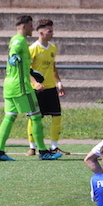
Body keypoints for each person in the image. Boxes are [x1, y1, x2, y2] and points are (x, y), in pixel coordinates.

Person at [0, 15, 61, 162]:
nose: (33, 28)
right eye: (31, 26)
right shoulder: (20, 41)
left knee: (9, 117)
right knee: (36, 116)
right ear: (24, 26)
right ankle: (43, 152)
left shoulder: (14, 38)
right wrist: (13, 58)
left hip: (9, 85)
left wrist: (27, 69)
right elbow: (14, 51)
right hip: (22, 87)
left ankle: (0, 152)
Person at [28, 19, 67, 156]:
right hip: (37, 89)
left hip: (51, 88)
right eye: (49, 31)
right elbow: (26, 70)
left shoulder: (53, 48)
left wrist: (59, 83)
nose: (52, 33)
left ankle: (54, 146)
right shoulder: (33, 49)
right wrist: (35, 84)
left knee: (57, 116)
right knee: (35, 118)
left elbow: (53, 66)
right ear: (41, 32)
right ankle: (32, 147)